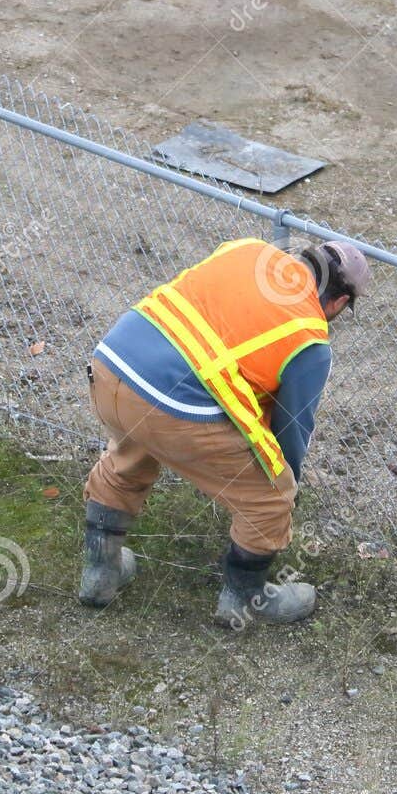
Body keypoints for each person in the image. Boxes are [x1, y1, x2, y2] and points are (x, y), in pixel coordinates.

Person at [78, 236, 370, 626]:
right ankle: (244, 598)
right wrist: (282, 487)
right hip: (175, 408)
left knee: (130, 453)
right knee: (271, 496)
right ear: (338, 303)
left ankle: (100, 572)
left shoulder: (246, 250)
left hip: (111, 366)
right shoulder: (310, 338)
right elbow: (291, 428)